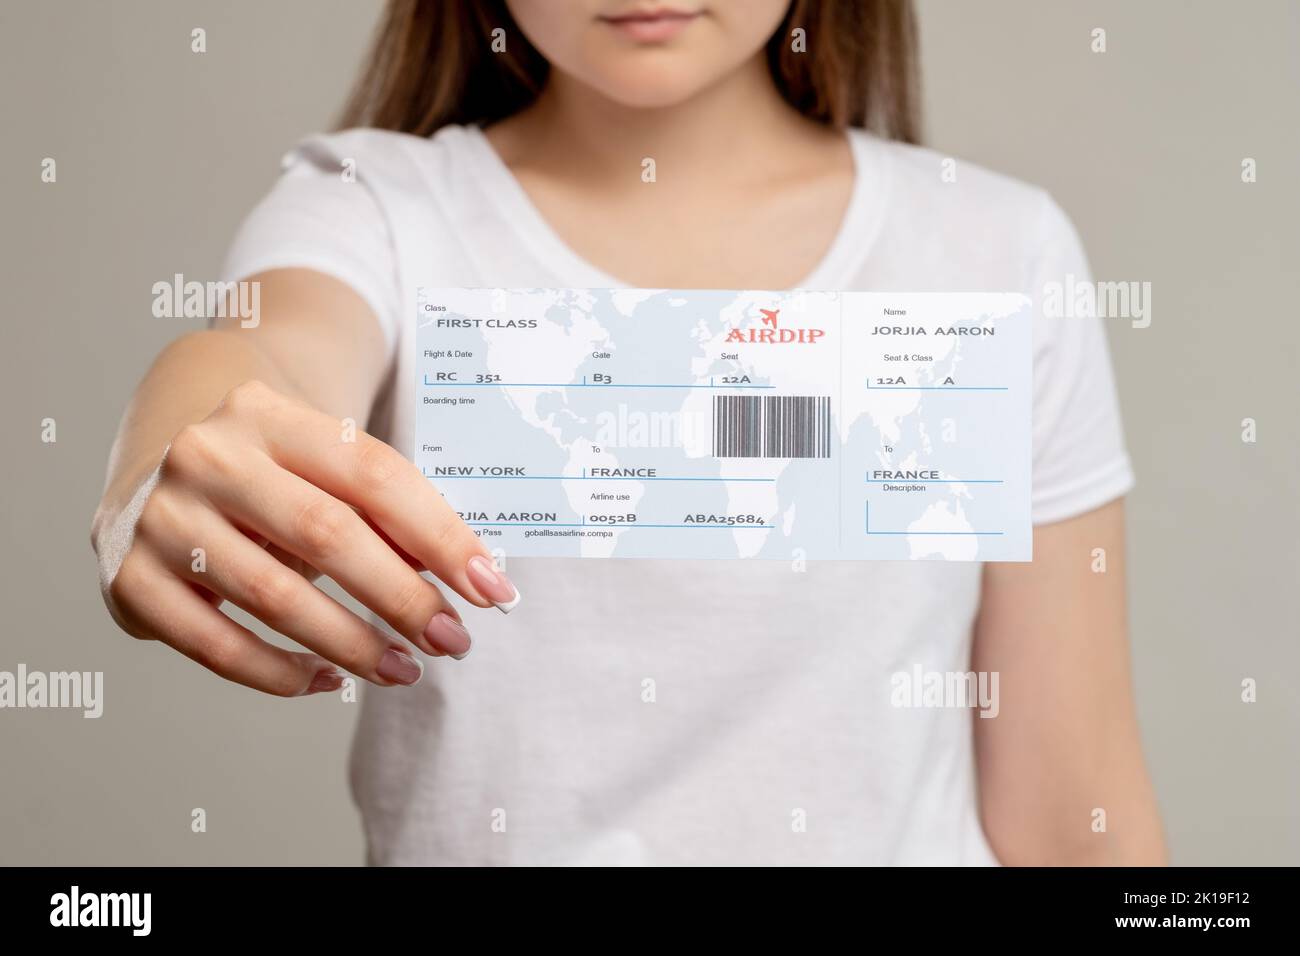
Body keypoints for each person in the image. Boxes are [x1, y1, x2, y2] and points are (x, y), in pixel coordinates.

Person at [91, 0, 1165, 865]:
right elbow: (269, 354)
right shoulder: (375, 209)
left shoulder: (995, 249)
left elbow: (1076, 824)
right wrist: (161, 450)